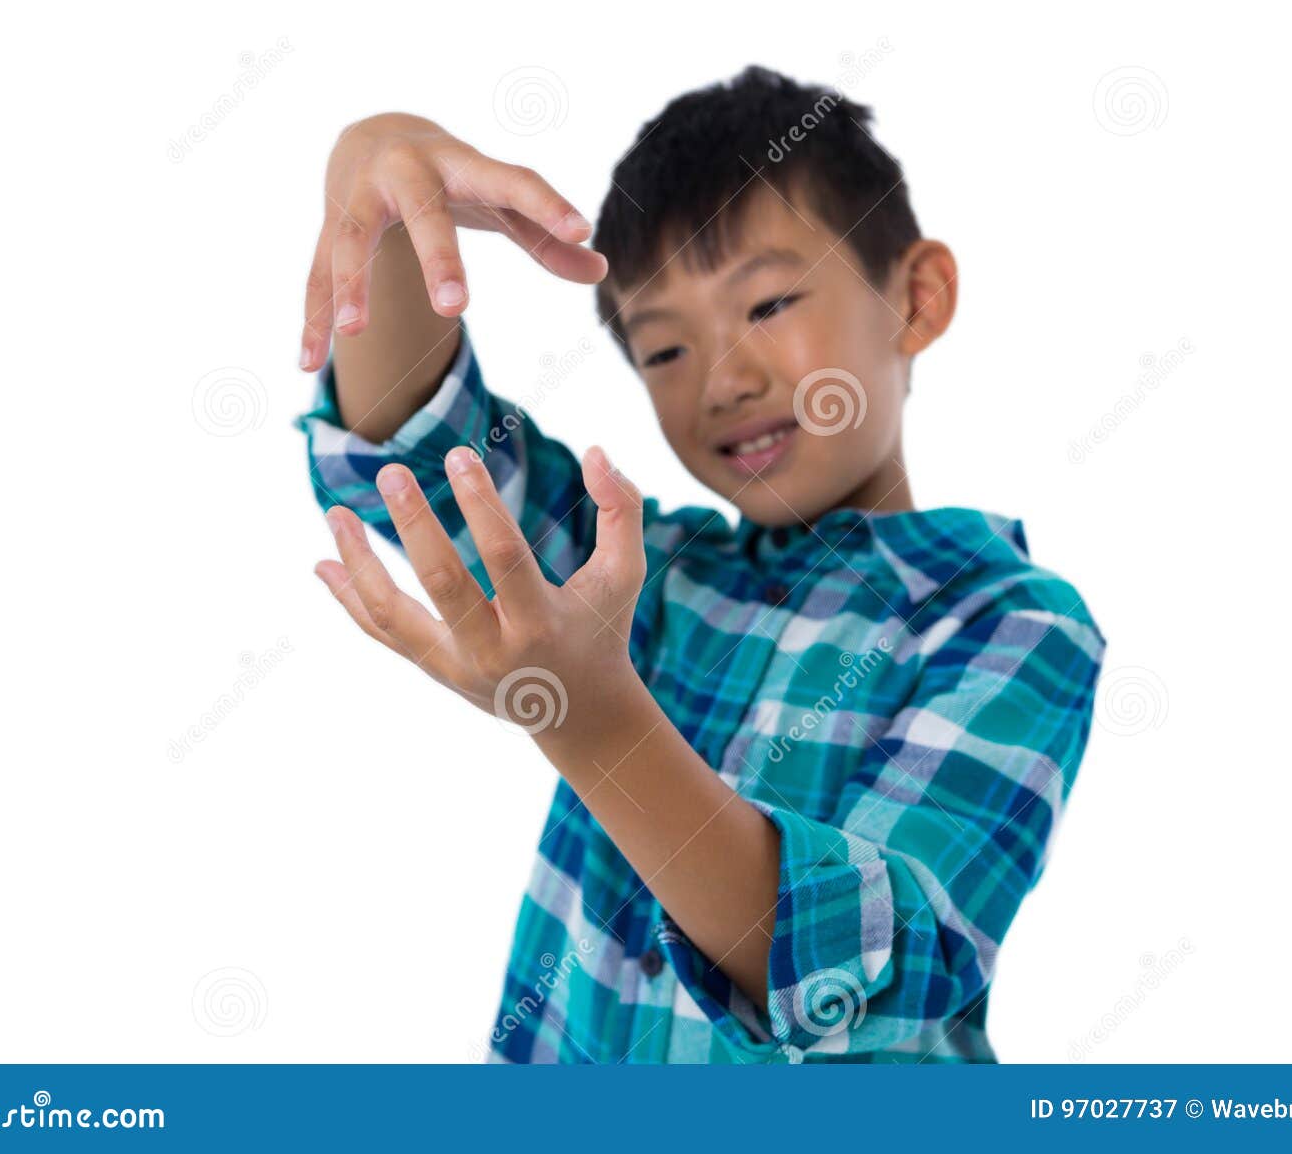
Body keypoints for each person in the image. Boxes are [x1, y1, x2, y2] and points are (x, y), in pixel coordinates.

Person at [294, 66, 1106, 1063]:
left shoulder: (1008, 622)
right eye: (665, 350)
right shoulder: (642, 572)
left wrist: (594, 723)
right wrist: (379, 175)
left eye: (766, 305)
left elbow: (871, 967)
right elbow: (418, 439)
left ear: (917, 298)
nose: (724, 379)